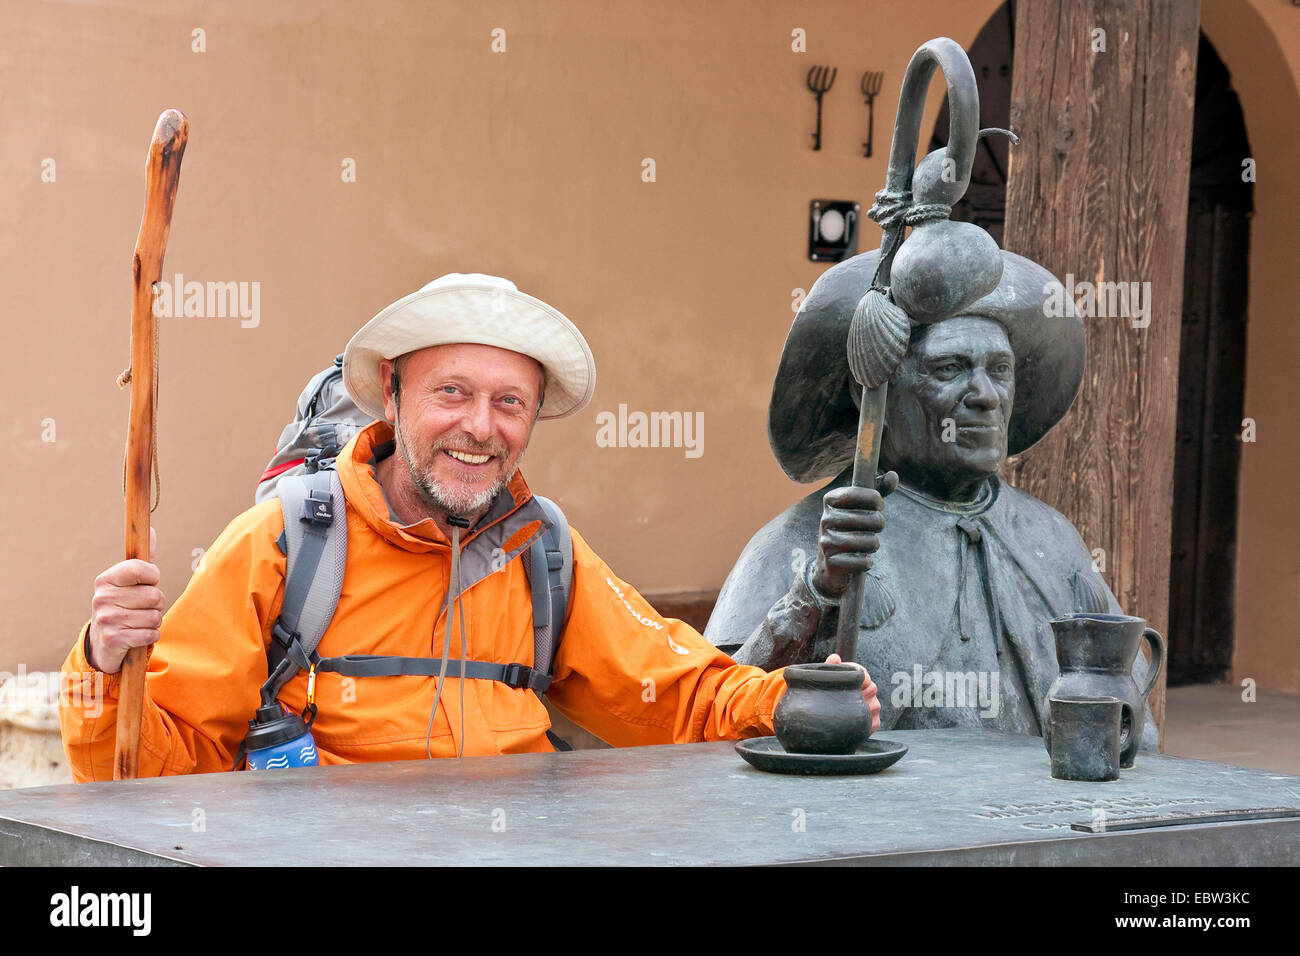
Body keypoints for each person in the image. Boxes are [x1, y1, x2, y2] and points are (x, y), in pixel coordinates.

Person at [60, 273, 882, 780]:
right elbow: (149, 767)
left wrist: (793, 703)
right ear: (393, 394)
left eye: (508, 402)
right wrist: (103, 662)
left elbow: (677, 694)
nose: (480, 428)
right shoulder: (282, 542)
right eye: (451, 393)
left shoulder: (545, 550)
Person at [705, 250, 1159, 750]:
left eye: (1000, 369)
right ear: (873, 394)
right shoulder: (802, 541)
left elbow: (1130, 723)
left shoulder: (1051, 538)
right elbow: (721, 719)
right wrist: (812, 595)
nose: (986, 394)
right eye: (950, 368)